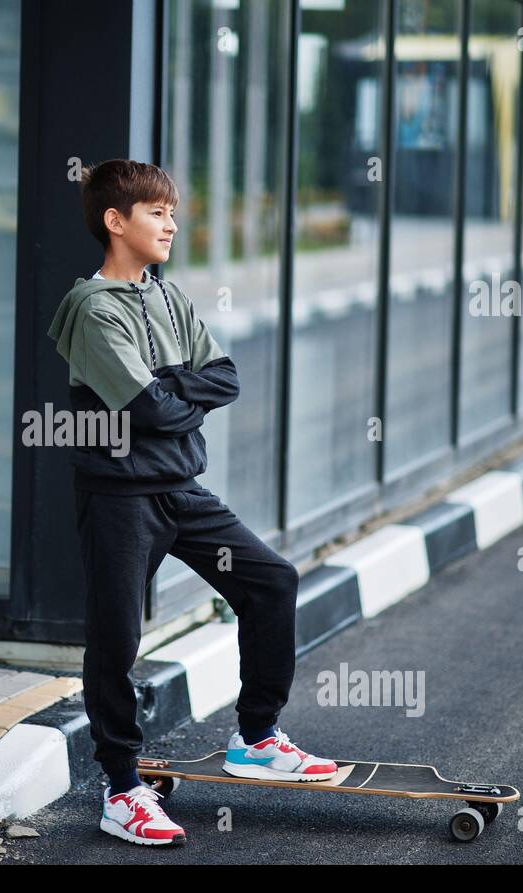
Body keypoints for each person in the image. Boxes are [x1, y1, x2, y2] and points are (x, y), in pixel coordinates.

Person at [46, 158, 337, 848]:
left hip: (181, 489)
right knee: (117, 638)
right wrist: (175, 392)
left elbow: (225, 377)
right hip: (120, 498)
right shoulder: (91, 309)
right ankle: (121, 787)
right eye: (156, 211)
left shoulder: (168, 298)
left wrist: (172, 389)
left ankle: (258, 736)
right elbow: (149, 408)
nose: (172, 222)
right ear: (115, 222)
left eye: (173, 210)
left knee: (271, 582)